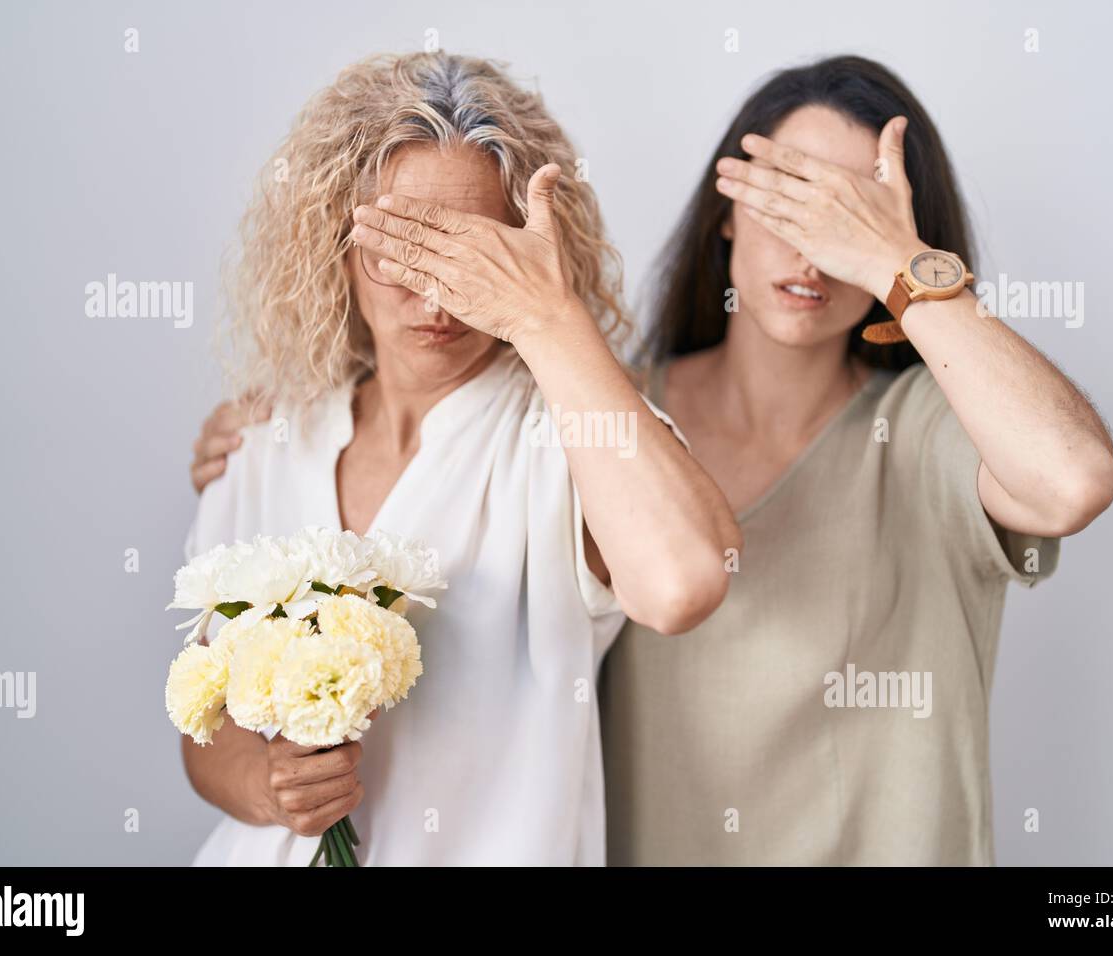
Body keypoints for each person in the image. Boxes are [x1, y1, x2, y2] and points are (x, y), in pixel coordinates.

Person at [192, 55, 1113, 866]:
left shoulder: (918, 432)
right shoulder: (607, 407)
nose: (813, 248)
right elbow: (208, 727)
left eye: (849, 214)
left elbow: (1070, 479)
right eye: (790, 200)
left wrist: (898, 260)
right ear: (727, 214)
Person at [179, 51, 740, 867]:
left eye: (472, 257)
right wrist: (271, 785)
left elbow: (685, 581)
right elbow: (203, 730)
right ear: (335, 245)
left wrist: (548, 317)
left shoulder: (567, 443)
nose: (435, 297)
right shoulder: (265, 445)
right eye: (400, 251)